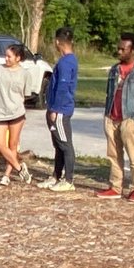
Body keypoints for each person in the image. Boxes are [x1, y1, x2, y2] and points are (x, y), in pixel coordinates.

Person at [101, 34, 134, 200]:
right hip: (112, 118)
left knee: (133, 155)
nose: (119, 51)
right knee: (114, 155)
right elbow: (109, 93)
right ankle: (115, 187)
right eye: (118, 47)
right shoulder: (114, 69)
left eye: (123, 49)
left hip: (130, 119)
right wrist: (107, 116)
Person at [0, 43, 31, 186]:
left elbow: (25, 95)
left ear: (18, 58)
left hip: (16, 113)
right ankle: (19, 168)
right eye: (5, 55)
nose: (6, 58)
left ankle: (6, 175)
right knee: (0, 144)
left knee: (12, 144)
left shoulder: (25, 74)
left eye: (9, 56)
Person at [41, 31, 79, 190]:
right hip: (55, 107)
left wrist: (55, 109)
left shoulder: (66, 62)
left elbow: (63, 86)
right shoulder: (67, 60)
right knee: (58, 144)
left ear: (57, 42)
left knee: (65, 144)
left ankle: (68, 180)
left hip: (61, 110)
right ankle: (56, 175)